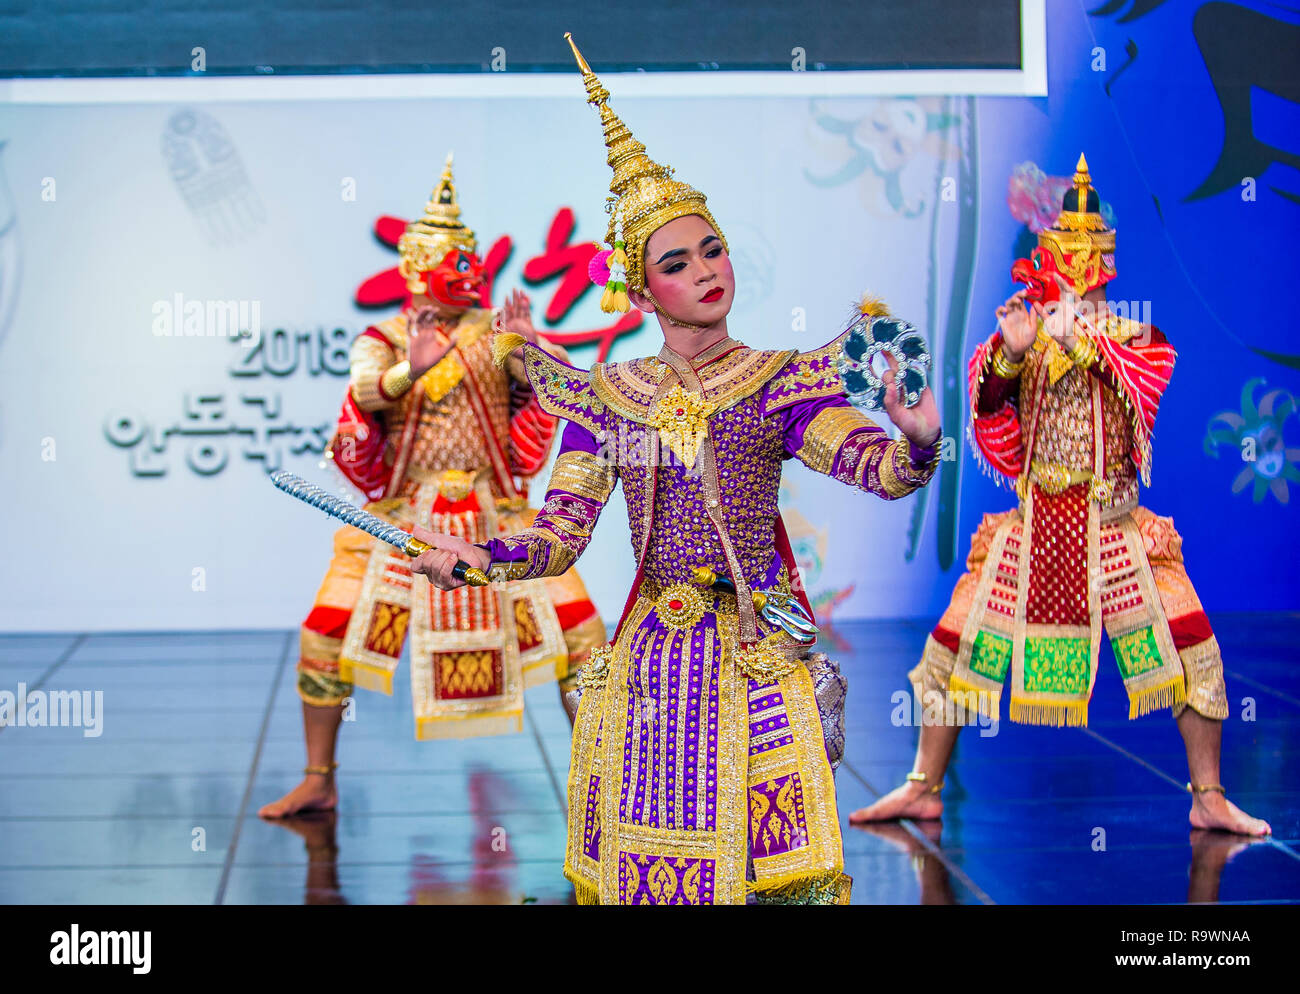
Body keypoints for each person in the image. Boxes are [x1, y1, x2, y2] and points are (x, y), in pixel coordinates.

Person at [407, 36, 942, 904]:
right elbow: (558, 538)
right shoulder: (609, 397)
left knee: (779, 879)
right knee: (652, 874)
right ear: (641, 289)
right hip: (656, 660)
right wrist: (472, 559)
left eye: (714, 249)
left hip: (759, 654)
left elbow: (879, 470)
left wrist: (918, 442)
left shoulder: (782, 382)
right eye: (677, 262)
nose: (706, 271)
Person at [850, 156, 1270, 837]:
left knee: (1194, 647)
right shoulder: (1022, 334)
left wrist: (1082, 339)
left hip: (1116, 528)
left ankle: (1209, 794)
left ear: (1106, 258)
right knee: (952, 648)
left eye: (1088, 250)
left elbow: (1141, 387)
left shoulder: (1137, 338)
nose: (1077, 262)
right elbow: (987, 401)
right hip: (1031, 528)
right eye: (1065, 249)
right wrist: (1016, 353)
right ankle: (923, 786)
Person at [260, 154, 604, 819]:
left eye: (473, 262)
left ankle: (599, 785)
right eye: (457, 263)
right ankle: (319, 777)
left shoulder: (498, 333)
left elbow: (565, 388)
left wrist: (532, 349)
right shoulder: (385, 336)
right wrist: (408, 374)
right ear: (420, 268)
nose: (471, 275)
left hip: (497, 514)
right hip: (401, 517)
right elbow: (364, 390)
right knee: (323, 633)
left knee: (583, 635)